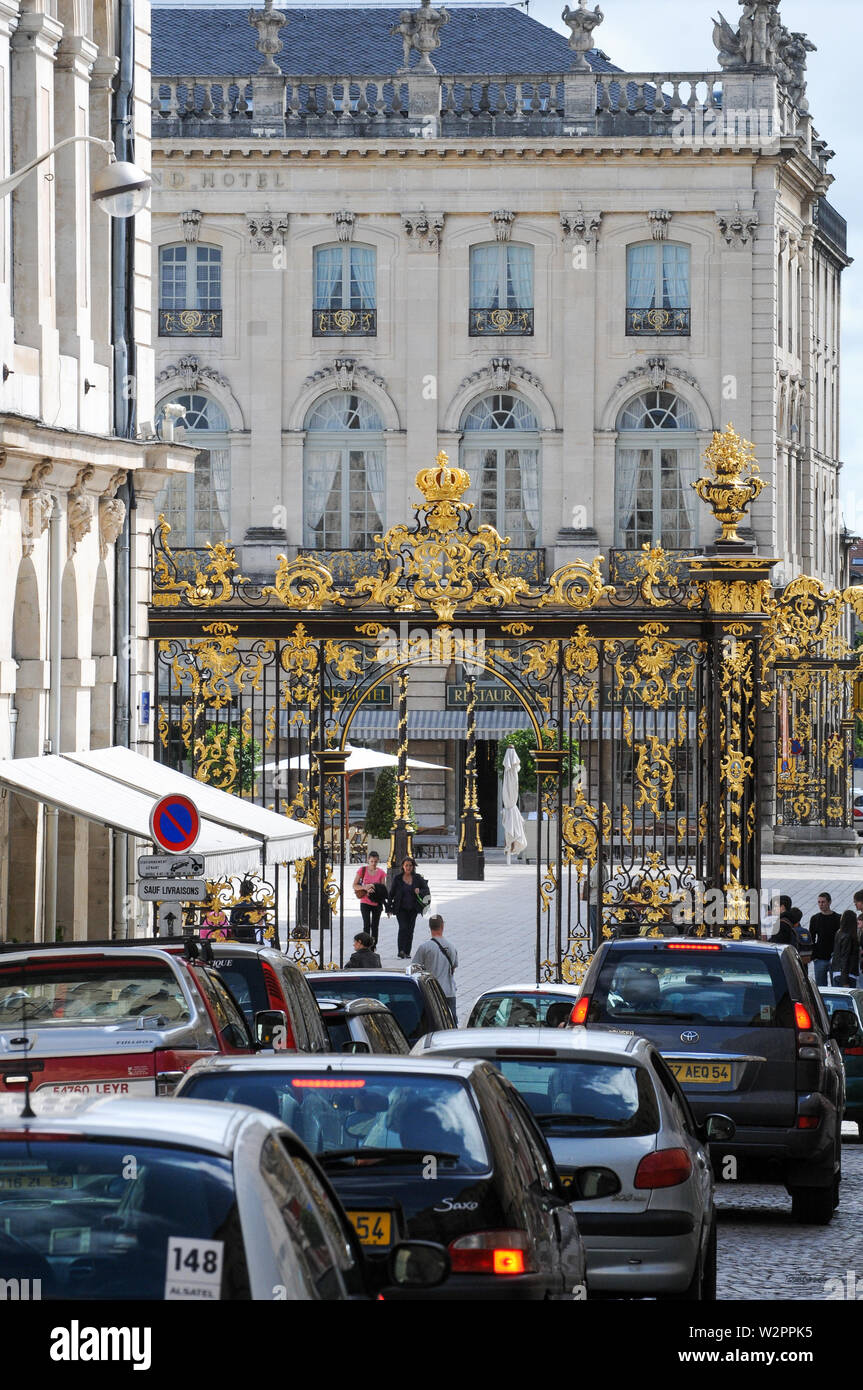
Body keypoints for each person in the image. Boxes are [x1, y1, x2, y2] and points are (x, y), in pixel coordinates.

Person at [412, 914, 458, 1023]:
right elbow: (453, 968)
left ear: (430, 927)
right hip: (449, 991)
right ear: (442, 926)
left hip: (431, 992)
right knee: (450, 1023)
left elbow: (415, 968)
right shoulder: (452, 946)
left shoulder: (424, 947)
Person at [387, 856, 430, 959]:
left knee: (410, 930)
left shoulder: (418, 878)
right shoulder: (397, 878)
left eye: (410, 865)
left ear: (413, 867)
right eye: (406, 865)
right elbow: (391, 894)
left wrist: (419, 891)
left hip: (413, 909)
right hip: (400, 908)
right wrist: (388, 908)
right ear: (403, 866)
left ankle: (407, 951)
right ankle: (401, 950)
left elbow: (426, 890)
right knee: (403, 928)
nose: (408, 867)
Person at [353, 851, 387, 947]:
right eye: (371, 861)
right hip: (365, 902)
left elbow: (383, 889)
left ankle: (374, 945)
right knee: (366, 924)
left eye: (375, 861)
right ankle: (366, 945)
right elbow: (355, 885)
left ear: (378, 861)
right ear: (368, 860)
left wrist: (375, 889)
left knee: (375, 926)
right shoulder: (362, 870)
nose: (373, 864)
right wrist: (365, 887)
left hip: (377, 903)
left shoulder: (381, 873)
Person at [810, 892, 841, 986]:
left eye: (823, 902)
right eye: (819, 902)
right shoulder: (815, 918)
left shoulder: (838, 918)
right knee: (820, 987)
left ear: (829, 902)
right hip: (819, 958)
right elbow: (811, 938)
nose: (821, 904)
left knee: (836, 986)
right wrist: (814, 956)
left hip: (834, 958)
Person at [830, 909, 859, 985]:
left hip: (837, 972)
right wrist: (845, 981)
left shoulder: (839, 933)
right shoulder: (848, 937)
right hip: (846, 974)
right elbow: (845, 958)